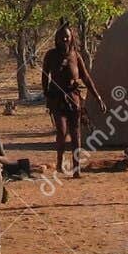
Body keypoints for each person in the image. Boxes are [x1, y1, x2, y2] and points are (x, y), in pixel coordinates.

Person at [40, 20, 103, 178]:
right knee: (61, 132)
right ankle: (60, 161)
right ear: (57, 39)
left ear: (72, 37)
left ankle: (76, 168)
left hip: (73, 98)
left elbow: (86, 78)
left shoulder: (76, 56)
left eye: (67, 37)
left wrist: (98, 98)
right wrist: (47, 92)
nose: (64, 40)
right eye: (62, 37)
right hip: (56, 98)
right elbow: (44, 75)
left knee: (76, 134)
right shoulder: (51, 55)